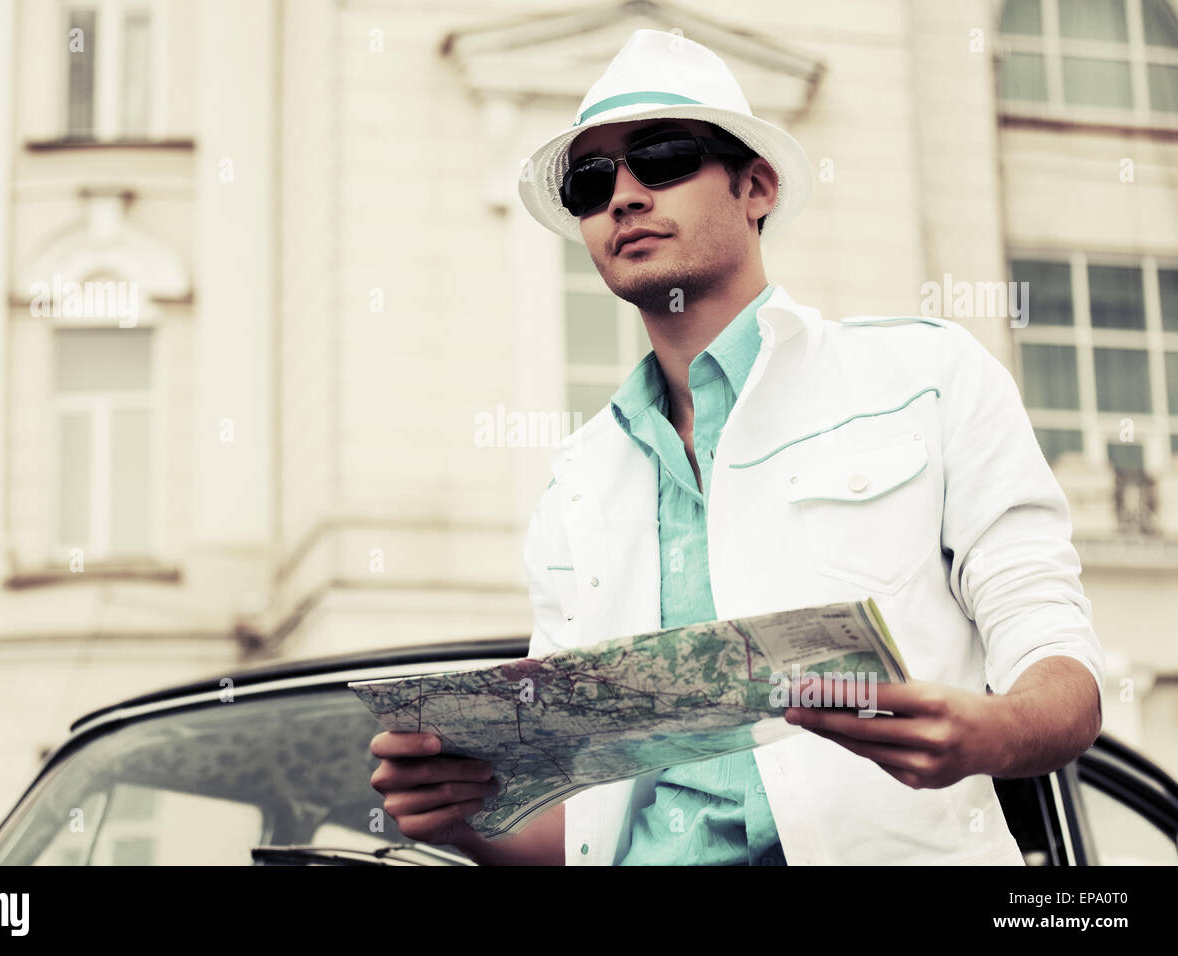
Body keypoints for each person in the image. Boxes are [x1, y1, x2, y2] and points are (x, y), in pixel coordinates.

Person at [369, 28, 1103, 866]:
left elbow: (1059, 663)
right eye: (591, 178)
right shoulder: (576, 483)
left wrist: (995, 731)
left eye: (664, 155)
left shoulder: (927, 376)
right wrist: (459, 814)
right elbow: (584, 836)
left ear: (757, 185)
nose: (625, 196)